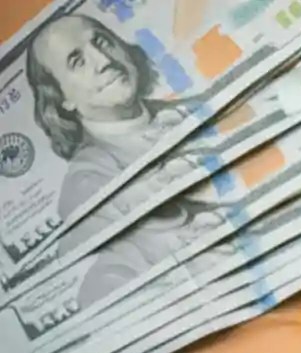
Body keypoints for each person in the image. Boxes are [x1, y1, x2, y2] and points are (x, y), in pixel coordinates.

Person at [27, 13, 190, 220]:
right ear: (61, 99)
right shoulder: (87, 184)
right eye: (78, 62)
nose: (104, 60)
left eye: (101, 42)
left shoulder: (190, 109)